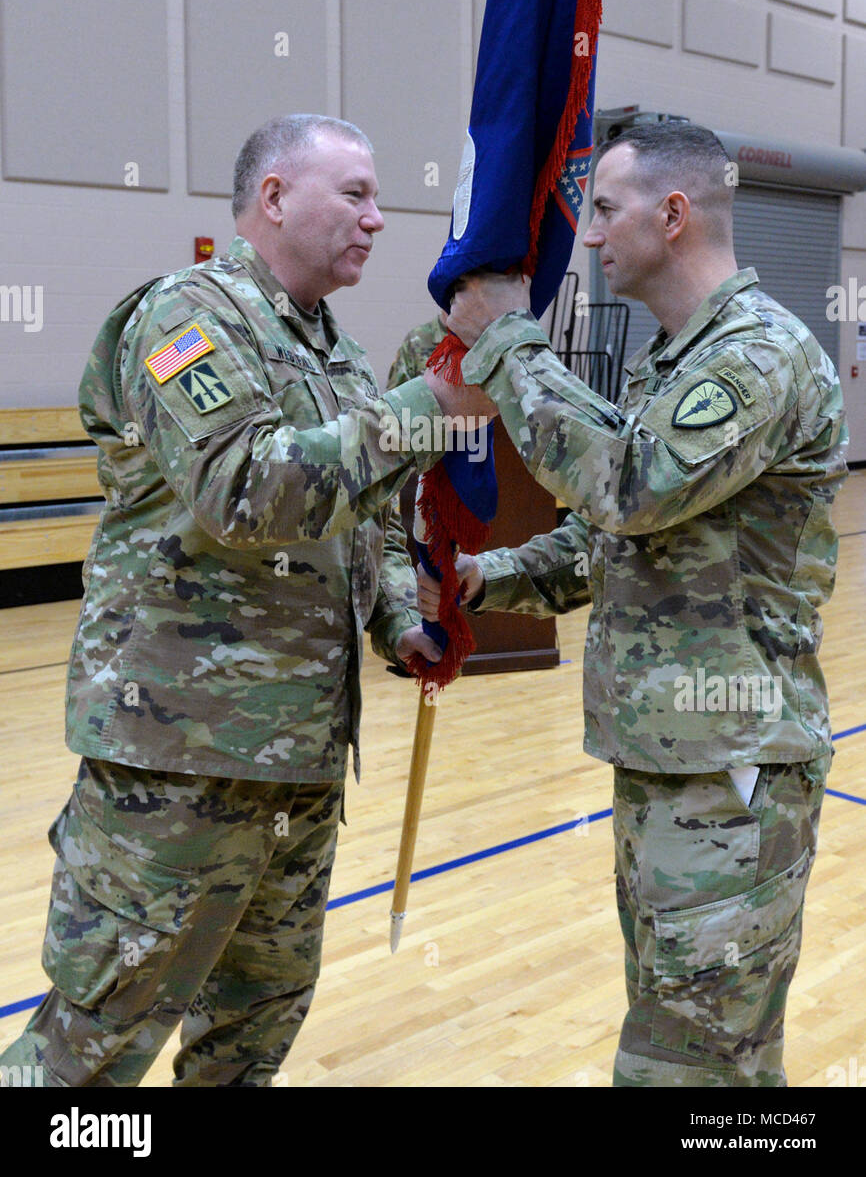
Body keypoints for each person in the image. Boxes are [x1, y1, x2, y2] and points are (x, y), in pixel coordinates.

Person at [0, 113, 491, 1088]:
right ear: (274, 196)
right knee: (95, 1045)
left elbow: (368, 521)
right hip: (179, 767)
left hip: (298, 766)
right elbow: (248, 489)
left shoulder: (337, 355)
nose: (377, 218)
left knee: (252, 1033)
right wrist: (429, 408)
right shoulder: (185, 318)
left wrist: (400, 619)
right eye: (354, 194)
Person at [419, 123, 848, 1087]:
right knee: (695, 1053)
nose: (591, 232)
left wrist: (508, 341)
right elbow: (614, 539)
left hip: (730, 771)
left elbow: (629, 485)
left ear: (674, 214)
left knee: (693, 1068)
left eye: (607, 209)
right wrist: (486, 577)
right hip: (670, 763)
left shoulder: (757, 356)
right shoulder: (677, 358)